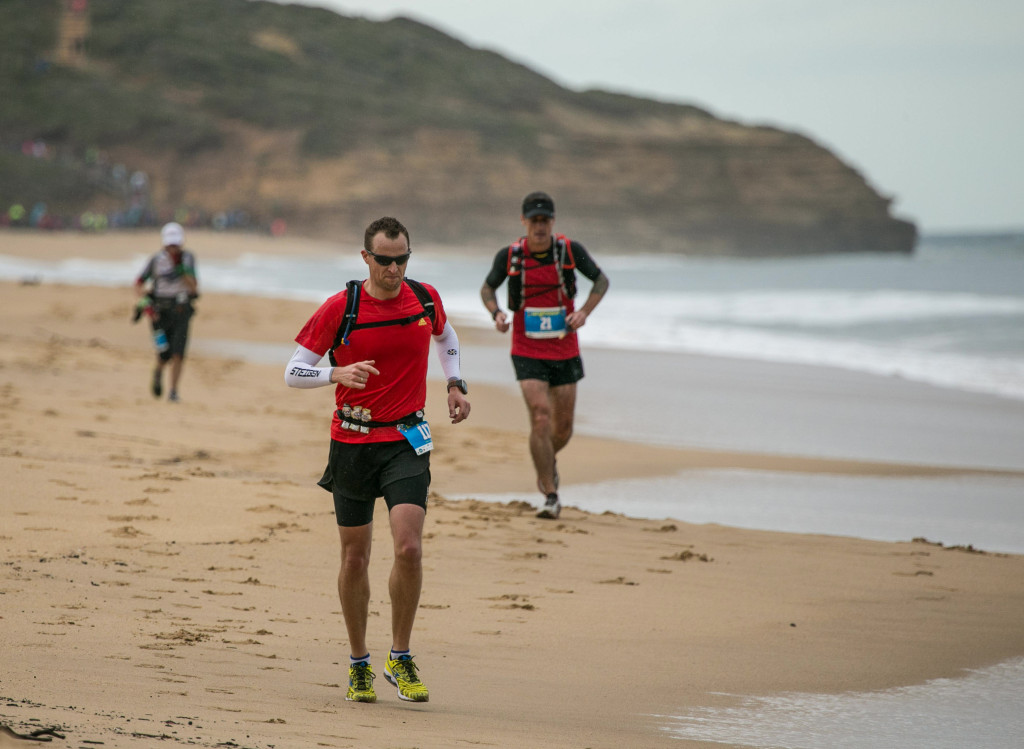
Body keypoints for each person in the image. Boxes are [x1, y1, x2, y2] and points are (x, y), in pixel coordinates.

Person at [284, 216, 470, 704]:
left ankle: (400, 656)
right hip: (352, 441)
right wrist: (336, 374)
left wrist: (455, 383)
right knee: (356, 556)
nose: (394, 268)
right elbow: (293, 371)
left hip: (407, 439)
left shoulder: (425, 298)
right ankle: (359, 662)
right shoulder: (340, 307)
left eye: (402, 258)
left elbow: (446, 339)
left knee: (409, 548)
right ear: (366, 258)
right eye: (385, 259)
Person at [480, 191, 609, 520]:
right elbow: (487, 288)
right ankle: (551, 494)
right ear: (524, 221)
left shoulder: (569, 251)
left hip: (565, 345)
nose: (539, 226)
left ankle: (545, 462)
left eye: (545, 220)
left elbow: (601, 281)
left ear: (553, 221)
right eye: (534, 220)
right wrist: (496, 314)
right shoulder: (510, 256)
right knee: (540, 416)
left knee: (562, 428)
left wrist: (584, 313)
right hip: (526, 346)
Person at [134, 222, 198, 402]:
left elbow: (194, 288)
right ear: (164, 243)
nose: (173, 248)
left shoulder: (188, 259)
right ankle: (158, 370)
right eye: (170, 244)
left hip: (182, 311)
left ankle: (173, 391)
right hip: (158, 314)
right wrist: (145, 302)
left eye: (176, 244)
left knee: (179, 352)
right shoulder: (155, 260)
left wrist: (180, 269)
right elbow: (138, 282)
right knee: (164, 353)